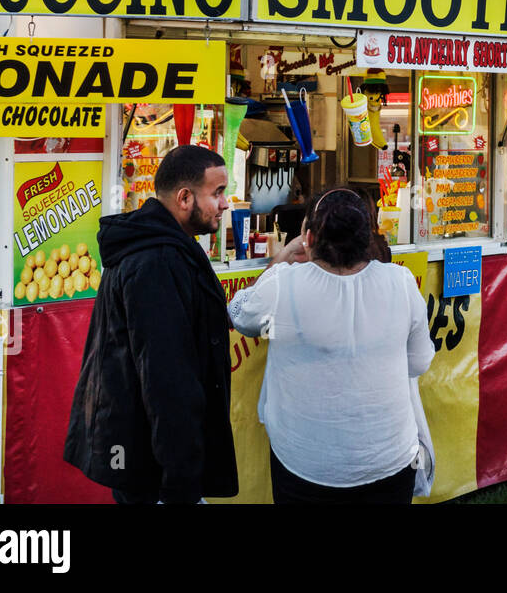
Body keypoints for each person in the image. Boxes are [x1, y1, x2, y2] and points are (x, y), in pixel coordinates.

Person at [228, 189, 433, 503]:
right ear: (367, 239)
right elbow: (418, 362)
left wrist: (281, 257)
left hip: (304, 465)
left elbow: (239, 314)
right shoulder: (401, 281)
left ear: (308, 239)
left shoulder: (284, 284)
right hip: (390, 461)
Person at [64, 146, 238, 504]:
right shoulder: (156, 261)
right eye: (217, 193)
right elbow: (166, 380)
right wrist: (180, 483)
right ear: (185, 197)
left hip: (150, 459)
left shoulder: (162, 248)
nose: (225, 204)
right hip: (153, 467)